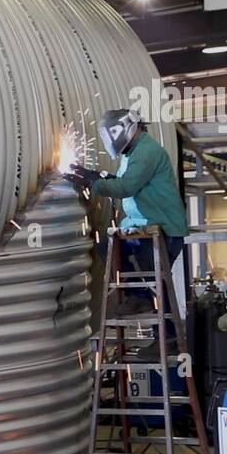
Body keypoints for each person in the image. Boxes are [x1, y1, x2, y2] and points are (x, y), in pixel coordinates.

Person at [65, 109, 189, 346]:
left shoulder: (147, 151)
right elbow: (122, 181)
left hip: (162, 230)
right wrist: (95, 176)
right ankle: (141, 302)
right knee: (113, 253)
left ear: (125, 129)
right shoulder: (131, 154)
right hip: (143, 227)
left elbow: (126, 187)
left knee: (153, 282)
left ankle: (166, 335)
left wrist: (95, 184)